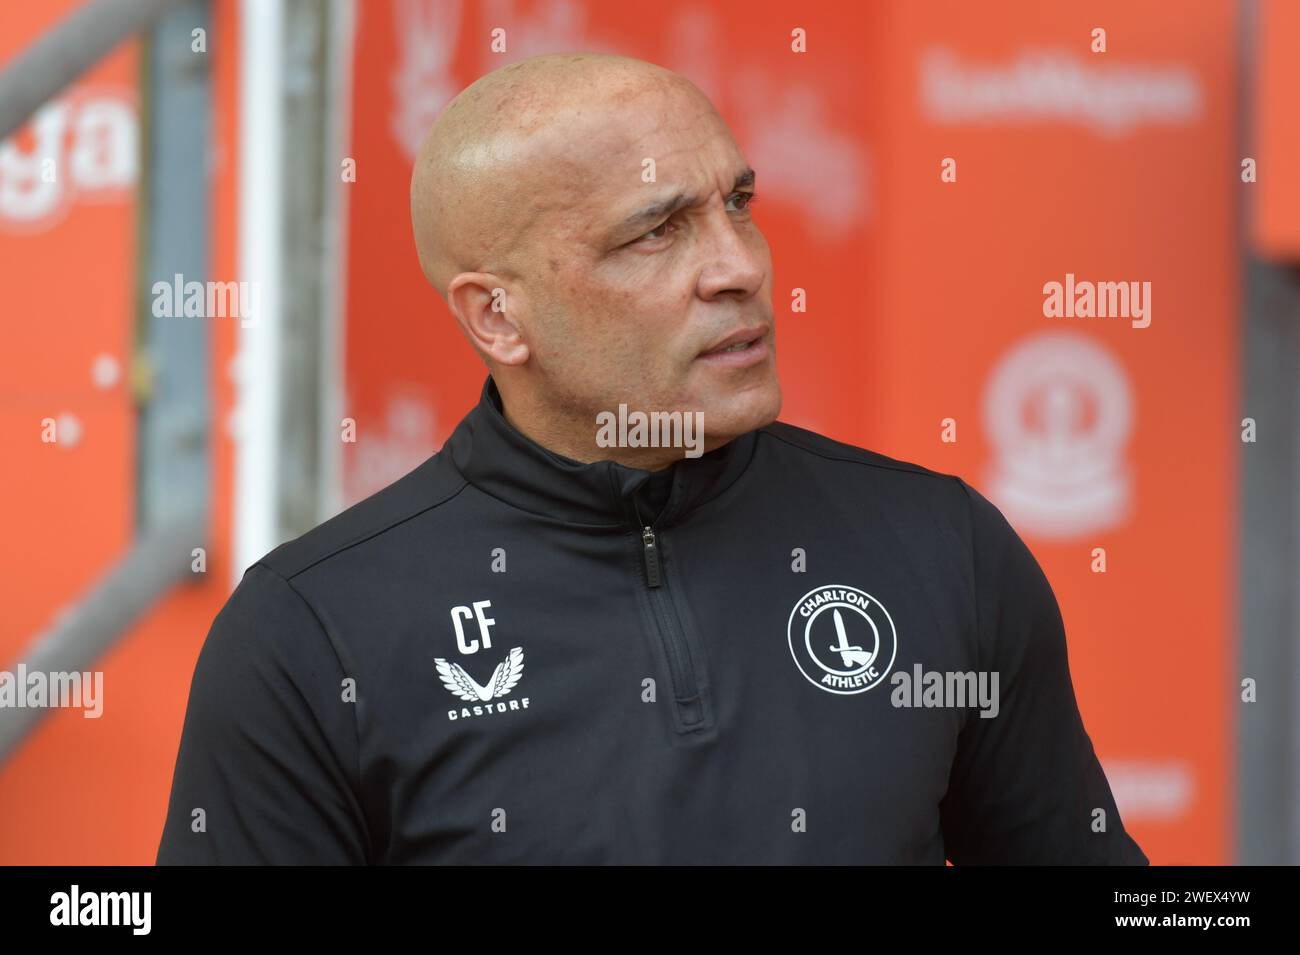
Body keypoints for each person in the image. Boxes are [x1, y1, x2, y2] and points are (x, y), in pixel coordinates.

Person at [156, 52, 1147, 865]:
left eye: (739, 203)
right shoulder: (311, 634)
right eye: (657, 231)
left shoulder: (938, 544)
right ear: (498, 316)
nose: (741, 265)